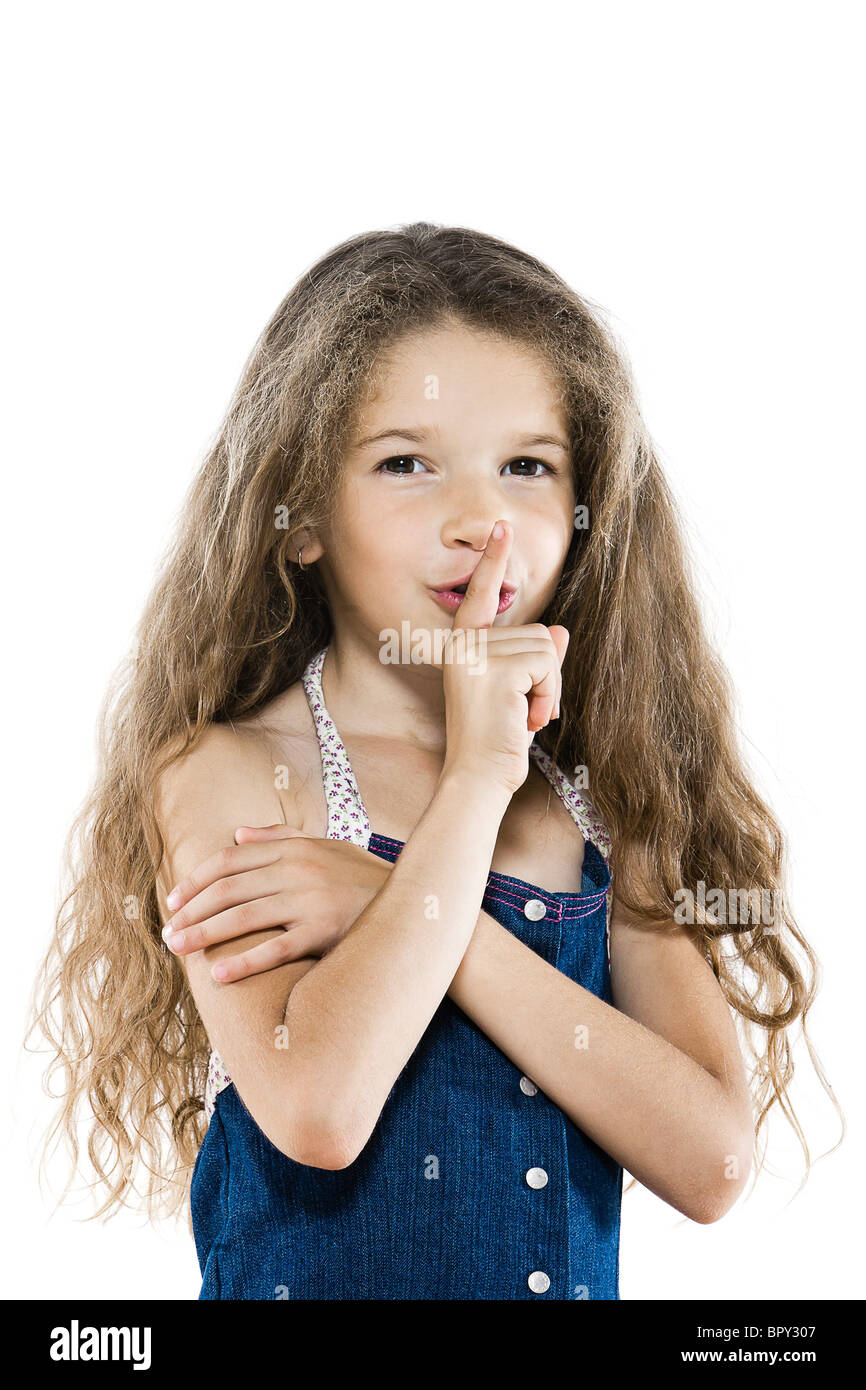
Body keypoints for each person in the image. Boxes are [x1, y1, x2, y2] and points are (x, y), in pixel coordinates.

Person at [28, 222, 842, 1300]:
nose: (478, 518)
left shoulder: (600, 807)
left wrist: (393, 900)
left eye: (526, 466)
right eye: (406, 463)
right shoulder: (232, 771)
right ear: (303, 515)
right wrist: (470, 782)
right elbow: (319, 1107)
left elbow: (711, 1162)